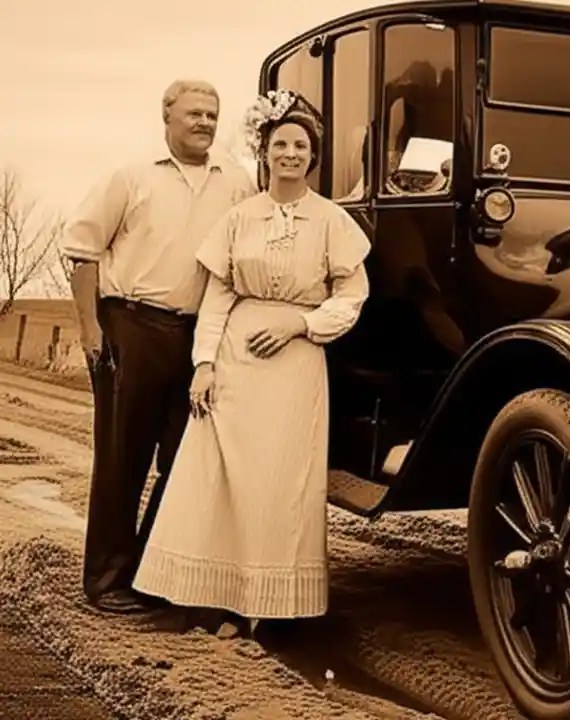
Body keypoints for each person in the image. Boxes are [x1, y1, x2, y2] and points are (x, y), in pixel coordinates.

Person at [130, 90, 372, 637]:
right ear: (264, 153)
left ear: (313, 157)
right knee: (212, 475)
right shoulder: (240, 218)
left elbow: (352, 297)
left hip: (294, 366)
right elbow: (218, 296)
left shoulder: (331, 221)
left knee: (277, 483)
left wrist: (301, 324)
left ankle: (266, 607)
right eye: (280, 143)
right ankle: (198, 600)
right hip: (235, 363)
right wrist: (205, 364)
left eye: (300, 145)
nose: (290, 153)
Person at [59, 79, 256, 615]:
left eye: (213, 114)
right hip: (131, 325)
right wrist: (90, 332)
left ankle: (151, 575)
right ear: (166, 116)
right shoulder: (131, 176)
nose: (205, 123)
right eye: (194, 113)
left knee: (183, 462)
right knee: (123, 459)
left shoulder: (236, 182)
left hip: (195, 335)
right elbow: (82, 252)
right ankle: (106, 582)